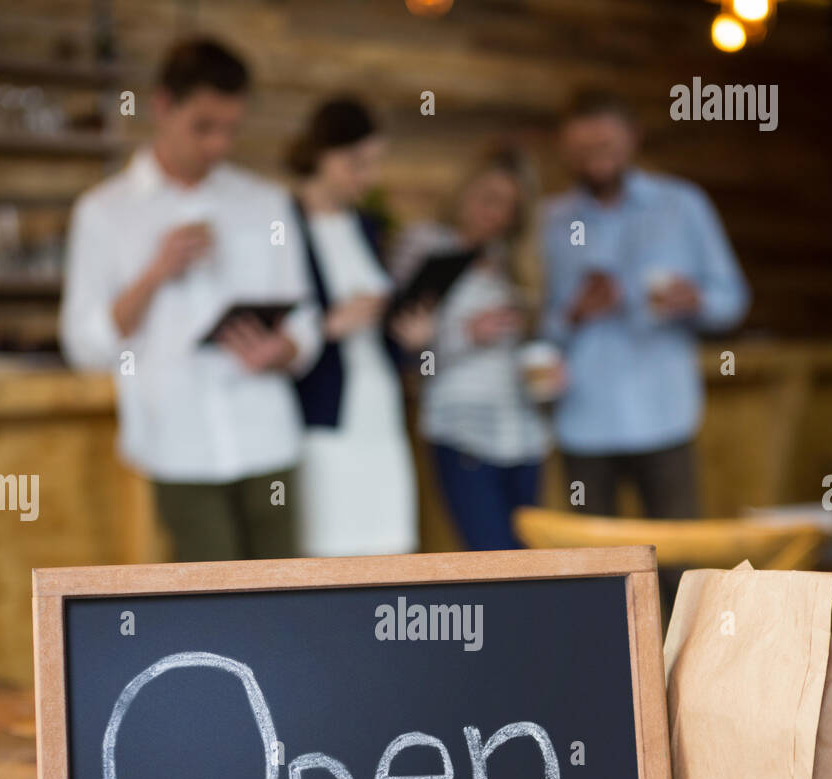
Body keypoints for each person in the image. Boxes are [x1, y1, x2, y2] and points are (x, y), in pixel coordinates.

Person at [61, 38, 319, 562]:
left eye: (230, 128)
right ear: (162, 107)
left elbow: (307, 319)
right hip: (177, 447)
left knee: (291, 609)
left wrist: (284, 350)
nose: (219, 145)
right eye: (204, 126)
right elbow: (83, 345)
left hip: (269, 438)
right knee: (211, 621)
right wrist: (155, 273)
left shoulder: (264, 202)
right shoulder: (103, 212)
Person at [542, 87, 750, 522]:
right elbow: (531, 332)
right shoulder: (549, 221)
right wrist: (573, 314)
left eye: (605, 146)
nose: (594, 159)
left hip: (665, 415)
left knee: (678, 564)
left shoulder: (682, 205)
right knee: (593, 573)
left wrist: (696, 300)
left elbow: (732, 299)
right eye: (582, 150)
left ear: (633, 137)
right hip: (583, 421)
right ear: (564, 147)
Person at [391, 149, 556, 551]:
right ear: (465, 191)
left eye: (510, 207)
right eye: (489, 199)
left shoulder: (513, 262)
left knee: (528, 564)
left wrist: (551, 371)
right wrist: (468, 333)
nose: (495, 215)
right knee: (493, 558)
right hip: (462, 430)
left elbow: (539, 341)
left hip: (524, 432)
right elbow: (404, 350)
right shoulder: (426, 247)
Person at [287, 97, 418, 557]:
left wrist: (410, 338)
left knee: (389, 546)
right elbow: (277, 321)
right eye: (357, 163)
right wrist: (330, 325)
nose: (368, 176)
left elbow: (384, 324)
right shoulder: (283, 222)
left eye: (374, 163)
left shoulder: (367, 226)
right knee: (331, 549)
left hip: (378, 407)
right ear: (323, 153)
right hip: (321, 414)